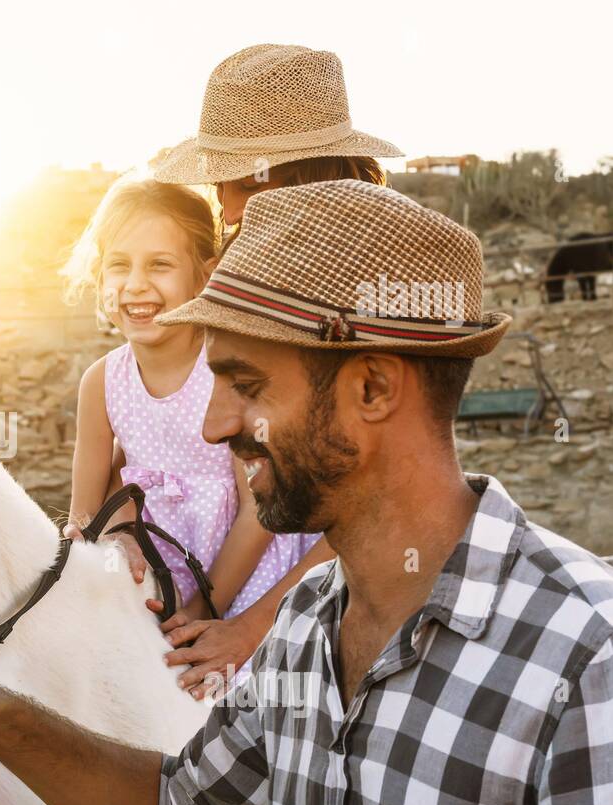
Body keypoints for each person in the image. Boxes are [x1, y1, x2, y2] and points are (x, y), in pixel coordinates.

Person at [0, 180, 613, 805]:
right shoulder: (301, 629)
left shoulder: (585, 660)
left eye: (247, 385)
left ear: (372, 386)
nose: (212, 425)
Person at [144, 42, 404, 696]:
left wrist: (253, 627)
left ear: (288, 177)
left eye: (234, 178)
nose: (223, 204)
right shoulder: (259, 275)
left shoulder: (361, 298)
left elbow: (370, 500)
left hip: (356, 587)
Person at [62, 176, 320, 654]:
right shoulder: (101, 383)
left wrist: (204, 606)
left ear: (206, 275)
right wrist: (119, 538)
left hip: (238, 579)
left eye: (160, 265)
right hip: (155, 577)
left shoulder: (226, 372)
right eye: (118, 266)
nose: (136, 285)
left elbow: (257, 515)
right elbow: (86, 510)